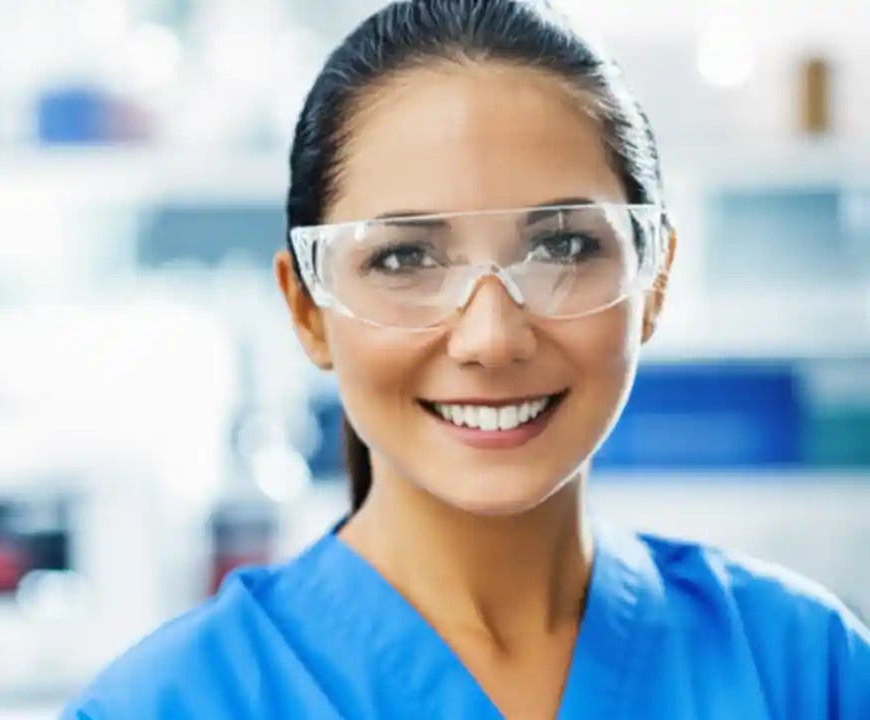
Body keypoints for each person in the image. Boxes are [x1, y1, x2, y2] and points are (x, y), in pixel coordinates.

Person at [62, 1, 870, 717]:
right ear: (307, 309)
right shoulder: (172, 704)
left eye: (561, 246)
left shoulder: (801, 667)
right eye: (406, 260)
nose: (490, 337)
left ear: (651, 283)